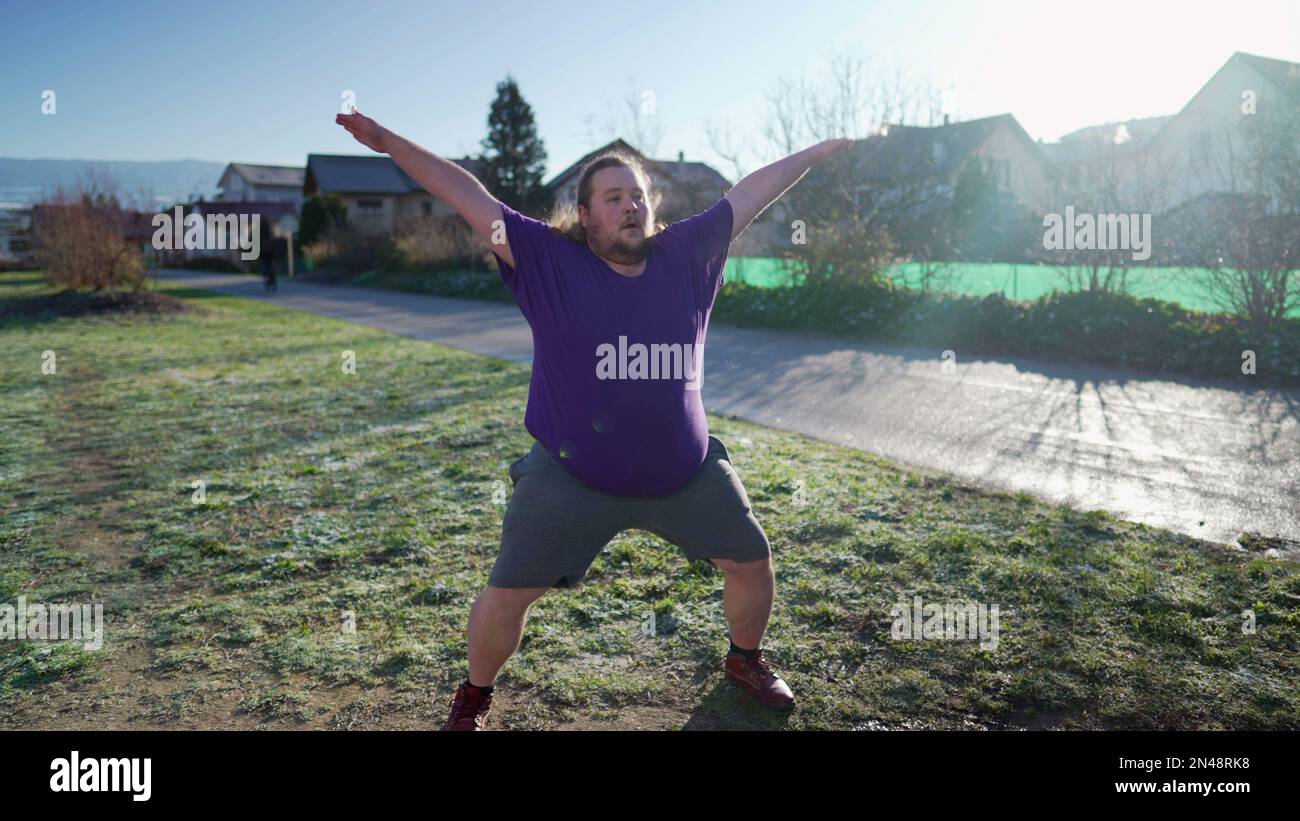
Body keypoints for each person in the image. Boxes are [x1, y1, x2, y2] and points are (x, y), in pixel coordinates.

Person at [336, 109, 851, 731]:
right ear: (585, 214)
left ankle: (744, 660)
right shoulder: (547, 259)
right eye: (614, 197)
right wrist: (386, 141)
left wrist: (813, 154)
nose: (632, 206)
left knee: (751, 559)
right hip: (571, 475)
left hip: (684, 473)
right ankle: (473, 696)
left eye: (639, 196)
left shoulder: (687, 253)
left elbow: (749, 194)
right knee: (508, 591)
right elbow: (466, 195)